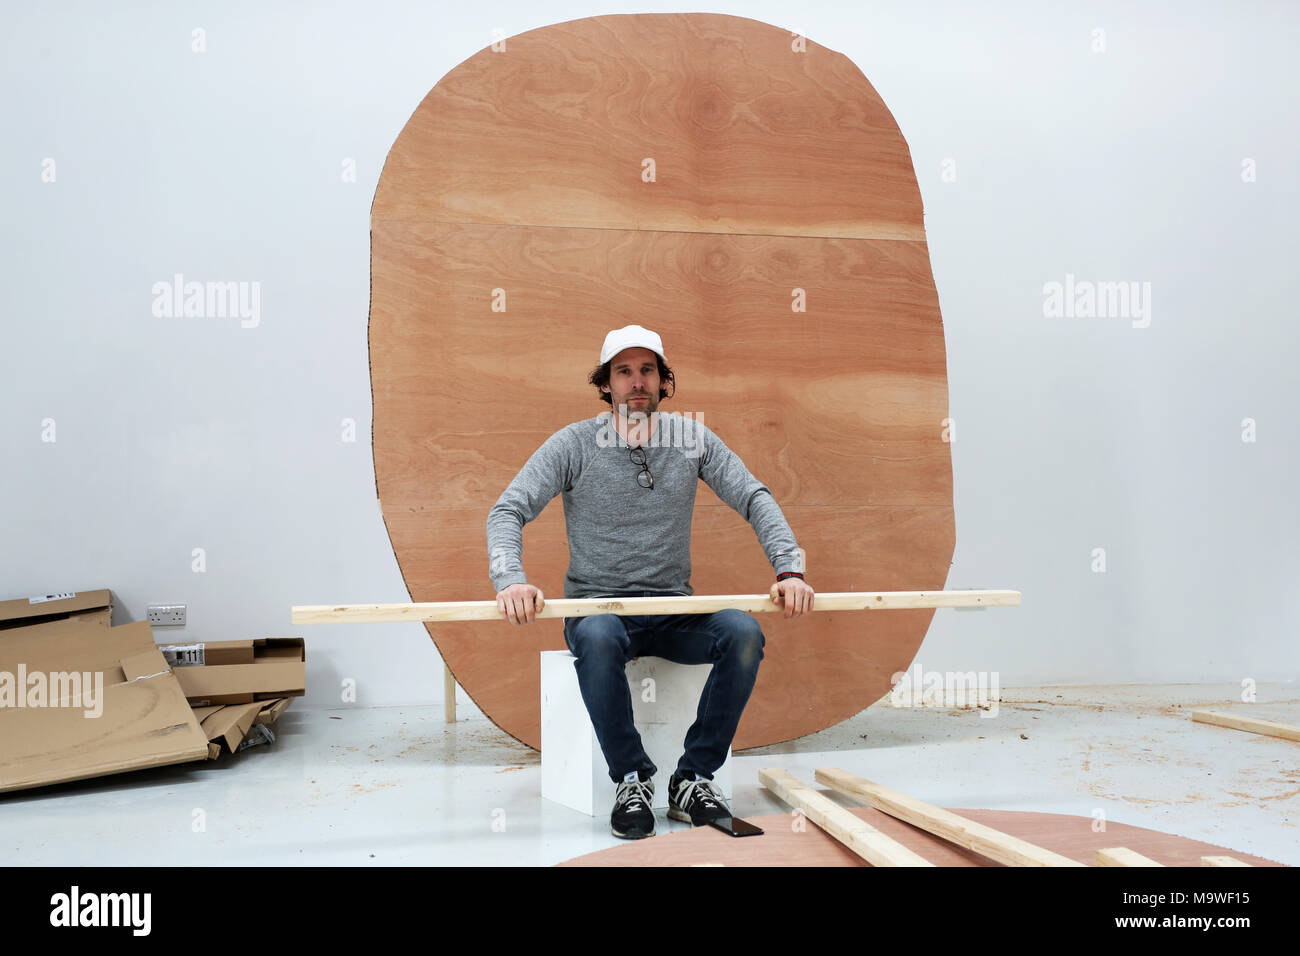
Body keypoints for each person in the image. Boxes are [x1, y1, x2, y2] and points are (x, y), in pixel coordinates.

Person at [486, 324, 814, 839]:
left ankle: (693, 778)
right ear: (606, 384)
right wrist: (510, 580)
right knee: (596, 636)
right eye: (624, 372)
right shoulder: (573, 445)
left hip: (672, 610)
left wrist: (789, 568)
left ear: (663, 381)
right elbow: (508, 509)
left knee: (742, 633)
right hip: (599, 610)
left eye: (647, 371)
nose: (637, 382)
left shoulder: (691, 440)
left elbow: (754, 495)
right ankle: (632, 779)